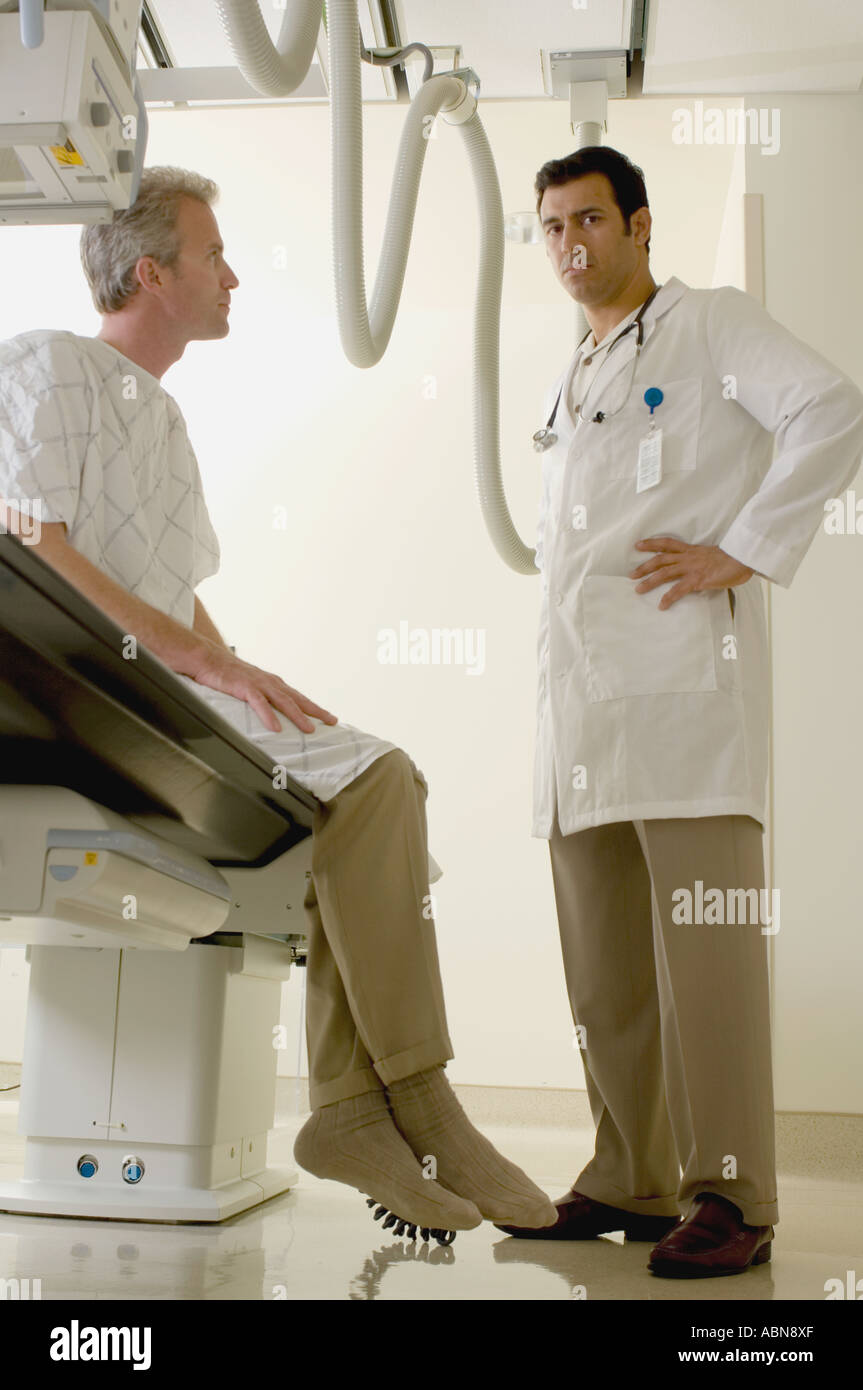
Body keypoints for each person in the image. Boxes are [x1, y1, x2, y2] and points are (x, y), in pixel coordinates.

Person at [0, 165, 558, 1244]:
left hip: (161, 694)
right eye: (215, 256)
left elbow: (179, 601)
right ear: (151, 272)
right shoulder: (47, 366)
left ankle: (358, 1106)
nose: (234, 277)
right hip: (94, 703)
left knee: (376, 778)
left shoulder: (160, 421)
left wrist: (249, 685)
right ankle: (416, 1103)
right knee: (371, 783)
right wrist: (210, 677)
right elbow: (37, 542)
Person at [495, 146, 863, 1276]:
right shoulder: (575, 371)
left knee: (702, 957)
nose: (568, 245)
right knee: (604, 969)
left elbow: (830, 405)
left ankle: (733, 1194)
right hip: (584, 715)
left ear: (639, 226)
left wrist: (740, 550)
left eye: (589, 221)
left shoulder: (707, 323)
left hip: (681, 706)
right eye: (550, 227)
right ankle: (629, 1175)